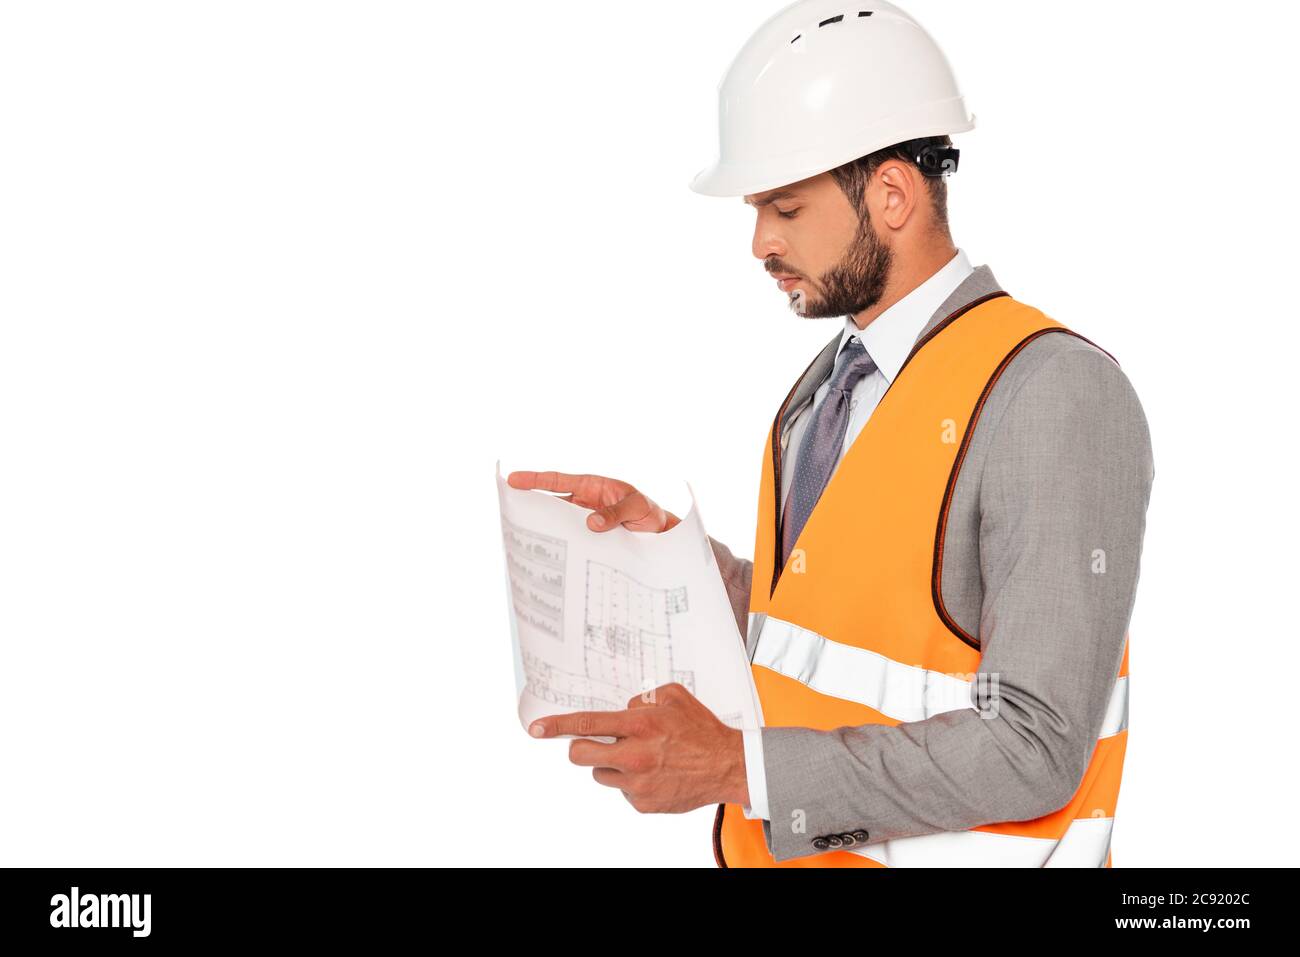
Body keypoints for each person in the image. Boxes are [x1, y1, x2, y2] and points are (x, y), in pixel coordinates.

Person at [513, 0, 1153, 867]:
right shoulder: (826, 388)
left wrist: (742, 768)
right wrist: (674, 560)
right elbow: (823, 640)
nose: (758, 242)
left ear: (891, 193)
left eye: (785, 207)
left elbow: (1033, 746)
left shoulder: (1054, 393)